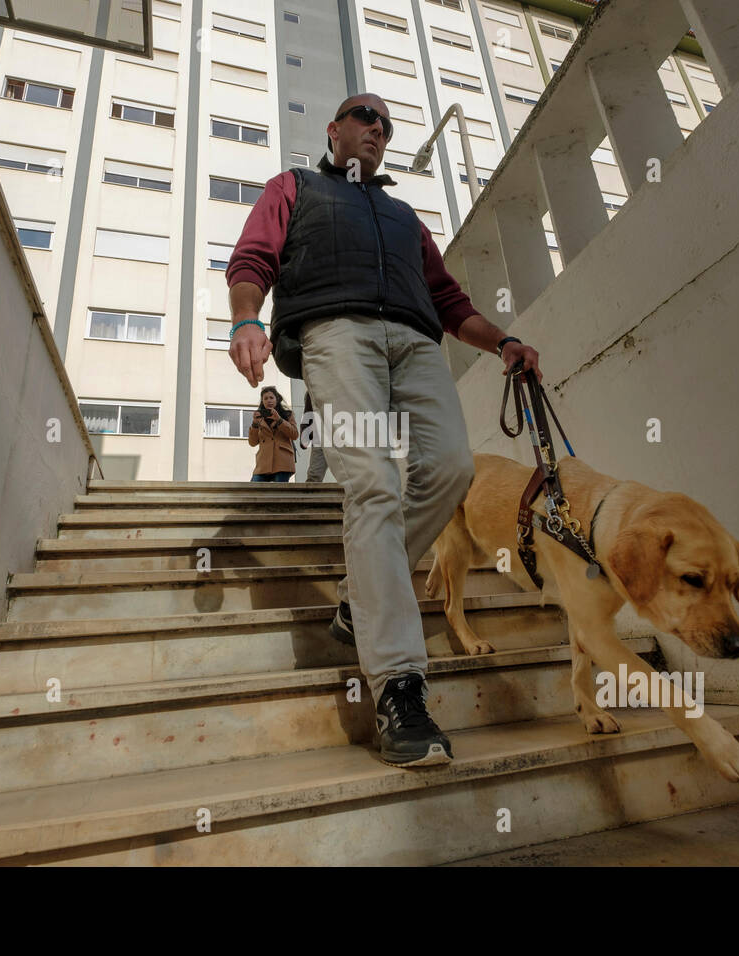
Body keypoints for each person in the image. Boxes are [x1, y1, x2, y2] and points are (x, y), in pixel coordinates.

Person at [226, 92, 543, 767]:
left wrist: (504, 342)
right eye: (364, 116)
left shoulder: (403, 216)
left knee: (453, 468)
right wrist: (247, 320)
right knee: (370, 481)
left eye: (387, 124)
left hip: (418, 341)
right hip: (334, 331)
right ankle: (401, 688)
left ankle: (355, 599)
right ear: (335, 127)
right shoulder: (296, 185)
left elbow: (451, 302)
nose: (378, 127)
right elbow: (253, 257)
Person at [247, 386, 298, 482]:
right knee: (253, 490)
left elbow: (294, 435)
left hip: (282, 462)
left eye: (271, 397)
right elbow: (252, 442)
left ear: (277, 399)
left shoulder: (287, 414)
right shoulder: (259, 418)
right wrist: (254, 424)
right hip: (263, 464)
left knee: (279, 494)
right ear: (262, 401)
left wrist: (279, 420)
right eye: (265, 398)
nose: (269, 400)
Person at [299, 393, 330, 483]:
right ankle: (311, 495)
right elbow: (308, 413)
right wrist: (304, 436)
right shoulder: (312, 389)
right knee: (314, 476)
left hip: (344, 434)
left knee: (351, 472)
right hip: (320, 437)